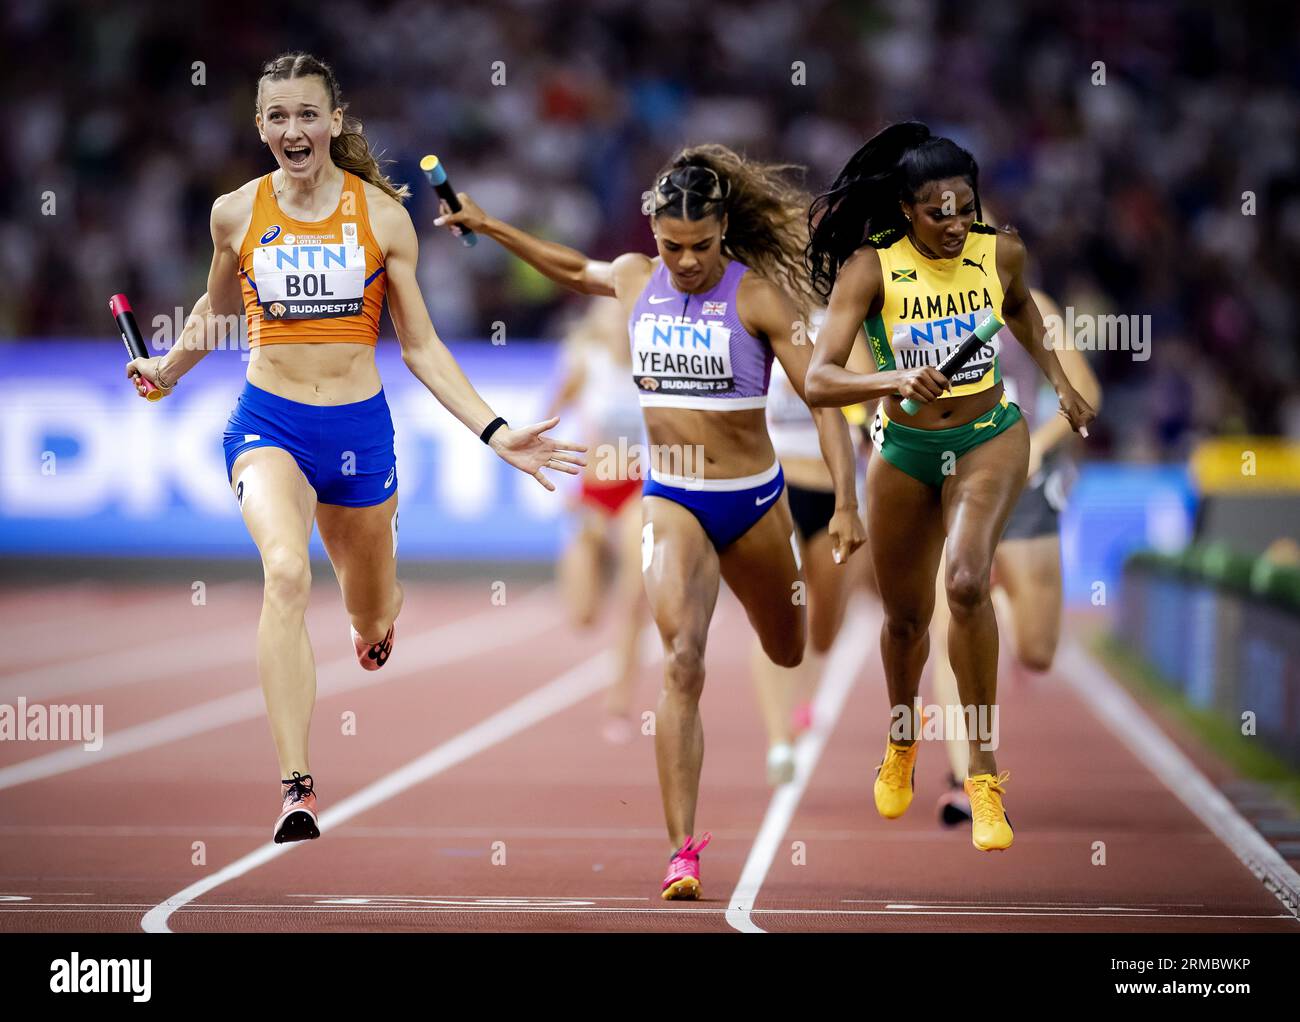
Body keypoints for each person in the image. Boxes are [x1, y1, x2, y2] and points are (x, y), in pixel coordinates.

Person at [125, 52, 583, 845]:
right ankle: (296, 787)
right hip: (268, 423)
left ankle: (372, 620)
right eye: (277, 116)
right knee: (285, 570)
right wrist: (168, 367)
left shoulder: (382, 217)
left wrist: (498, 431)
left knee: (372, 617)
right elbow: (216, 308)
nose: (293, 130)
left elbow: (423, 348)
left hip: (359, 436)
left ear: (335, 122)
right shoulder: (236, 212)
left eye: (308, 114)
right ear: (260, 126)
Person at [435, 144, 865, 897]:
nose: (687, 261)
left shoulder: (759, 296)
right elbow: (570, 269)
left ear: (724, 230)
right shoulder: (637, 280)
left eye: (701, 247)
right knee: (681, 662)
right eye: (672, 246)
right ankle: (682, 852)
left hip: (755, 499)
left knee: (790, 649)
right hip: (672, 498)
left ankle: (779, 673)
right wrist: (490, 226)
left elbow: (825, 394)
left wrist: (847, 503)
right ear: (653, 235)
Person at [804, 122, 1095, 851]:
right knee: (905, 621)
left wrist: (1059, 383)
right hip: (903, 447)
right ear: (906, 208)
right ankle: (902, 741)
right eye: (940, 212)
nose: (956, 224)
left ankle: (985, 778)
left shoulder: (999, 250)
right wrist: (891, 378)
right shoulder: (871, 271)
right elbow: (818, 379)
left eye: (967, 207)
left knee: (966, 584)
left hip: (989, 435)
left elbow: (1022, 306)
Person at [932, 289, 1102, 824]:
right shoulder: (917, 301)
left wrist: (1035, 445)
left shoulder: (1030, 305)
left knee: (1036, 652)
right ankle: (967, 780)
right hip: (950, 479)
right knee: (946, 628)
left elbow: (1085, 393)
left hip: (1024, 488)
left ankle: (999, 611)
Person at [753, 321, 872, 784]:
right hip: (776, 486)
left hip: (833, 491)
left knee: (823, 626)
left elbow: (865, 392)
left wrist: (851, 414)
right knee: (774, 614)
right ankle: (778, 739)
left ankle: (809, 690)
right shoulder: (759, 314)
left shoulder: (839, 319)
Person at [544, 297, 649, 743]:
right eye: (609, 311)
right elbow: (550, 416)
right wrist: (553, 473)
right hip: (592, 493)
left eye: (626, 310)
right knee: (583, 616)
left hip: (638, 489)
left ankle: (619, 702)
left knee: (635, 595)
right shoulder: (585, 361)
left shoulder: (656, 363)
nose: (617, 319)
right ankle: (594, 565)